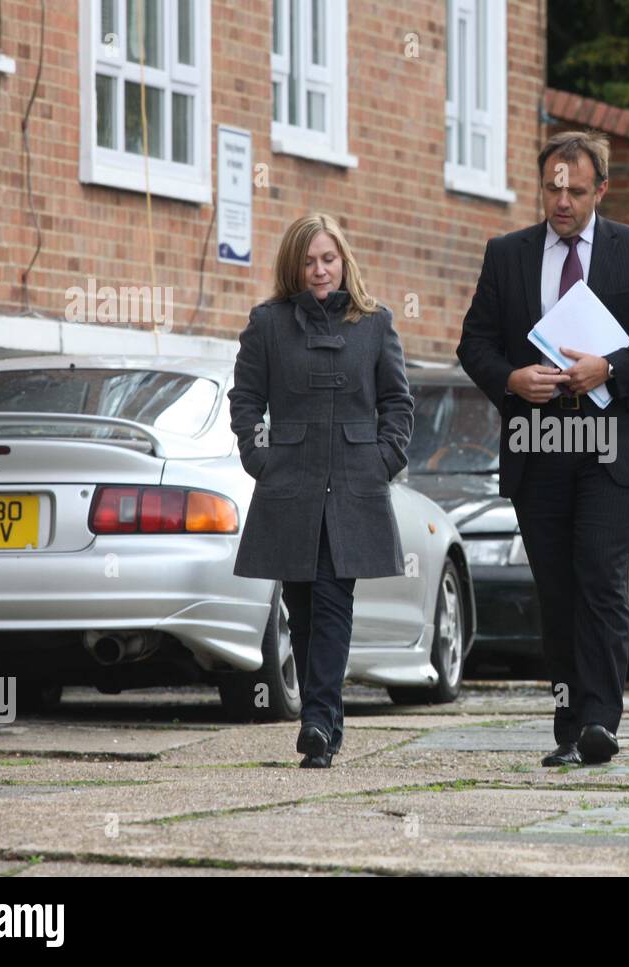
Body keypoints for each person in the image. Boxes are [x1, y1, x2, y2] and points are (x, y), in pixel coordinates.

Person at [457, 130, 629, 767]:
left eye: (576, 190)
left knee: (598, 574)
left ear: (601, 190)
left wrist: (610, 368)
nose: (562, 201)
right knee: (556, 588)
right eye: (553, 188)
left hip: (611, 444)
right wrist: (511, 379)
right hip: (539, 442)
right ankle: (566, 727)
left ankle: (599, 723)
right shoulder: (507, 254)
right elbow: (473, 344)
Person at [229, 213, 414, 768]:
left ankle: (316, 722)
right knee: (302, 607)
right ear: (295, 265)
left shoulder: (376, 324)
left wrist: (383, 459)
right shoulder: (268, 324)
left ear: (344, 261)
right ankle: (324, 723)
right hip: (292, 487)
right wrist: (260, 459)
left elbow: (398, 403)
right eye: (308, 261)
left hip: (355, 486)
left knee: (334, 601)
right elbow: (245, 400)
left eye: (328, 259)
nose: (319, 270)